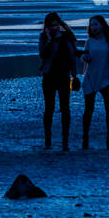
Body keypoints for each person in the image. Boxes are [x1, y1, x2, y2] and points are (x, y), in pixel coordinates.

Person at [80, 14, 109, 149]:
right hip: (90, 79)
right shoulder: (89, 42)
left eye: (96, 24)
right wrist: (84, 57)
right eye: (91, 25)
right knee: (88, 111)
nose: (93, 27)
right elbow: (84, 57)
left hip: (107, 79)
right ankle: (85, 140)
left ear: (102, 25)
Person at [38, 13, 78, 151]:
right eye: (51, 25)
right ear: (47, 27)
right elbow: (42, 54)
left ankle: (65, 140)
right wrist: (49, 39)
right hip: (49, 76)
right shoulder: (43, 37)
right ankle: (47, 139)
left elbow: (73, 54)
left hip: (63, 76)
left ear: (59, 24)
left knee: (65, 108)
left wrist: (74, 72)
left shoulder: (66, 36)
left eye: (56, 24)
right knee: (49, 108)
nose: (54, 27)